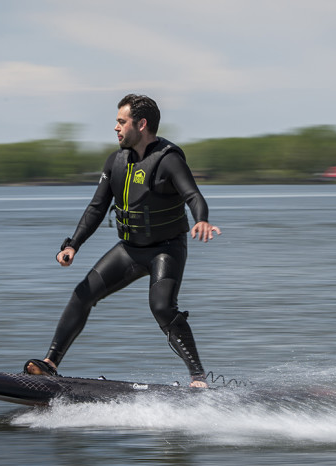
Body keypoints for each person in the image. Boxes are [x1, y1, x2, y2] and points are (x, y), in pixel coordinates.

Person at [24, 94, 220, 388]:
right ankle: (50, 363)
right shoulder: (116, 161)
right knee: (83, 294)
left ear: (140, 124)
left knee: (162, 307)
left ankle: (198, 378)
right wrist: (72, 245)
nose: (115, 128)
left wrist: (201, 219)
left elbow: (193, 195)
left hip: (166, 250)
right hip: (129, 250)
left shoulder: (168, 160)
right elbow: (96, 208)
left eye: (121, 122)